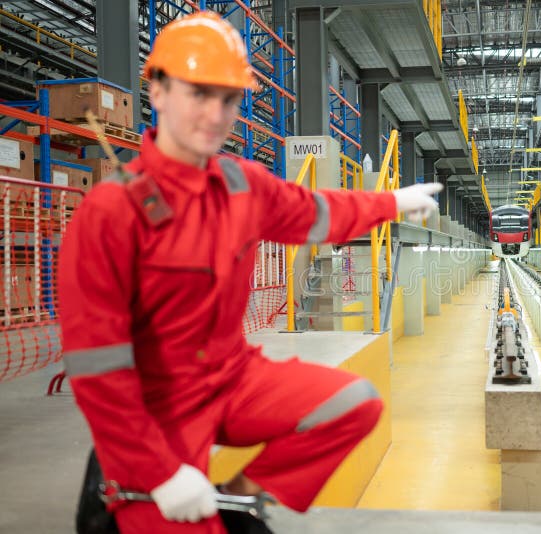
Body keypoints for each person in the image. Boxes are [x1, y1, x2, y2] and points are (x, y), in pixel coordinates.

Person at [58, 10, 441, 534]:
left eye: (228, 98)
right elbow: (99, 371)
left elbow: (319, 213)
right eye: (199, 94)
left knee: (354, 404)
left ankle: (235, 500)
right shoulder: (110, 213)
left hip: (233, 378)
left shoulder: (242, 186)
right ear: (159, 93)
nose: (215, 113)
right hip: (159, 409)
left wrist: (390, 202)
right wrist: (161, 475)